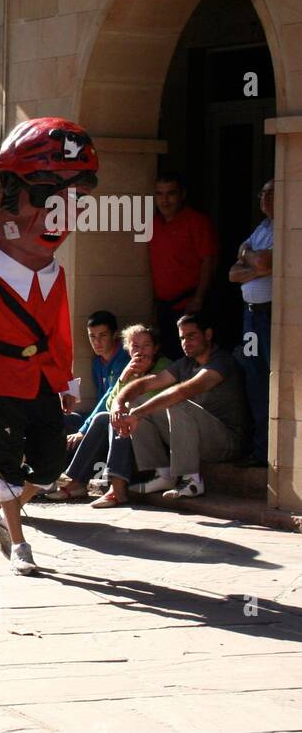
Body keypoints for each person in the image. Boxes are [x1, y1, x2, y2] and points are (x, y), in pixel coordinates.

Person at [0, 118, 97, 575]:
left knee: (51, 466)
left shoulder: (55, 274)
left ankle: (1, 513)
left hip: (39, 381)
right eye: (47, 193)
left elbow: (60, 333)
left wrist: (66, 380)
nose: (59, 215)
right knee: (7, 465)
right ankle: (18, 542)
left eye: (74, 199)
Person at [112, 313, 246, 499]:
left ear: (208, 335)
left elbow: (183, 392)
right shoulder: (184, 364)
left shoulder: (222, 362)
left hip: (225, 443)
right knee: (135, 401)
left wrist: (137, 414)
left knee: (176, 403)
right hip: (193, 438)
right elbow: (145, 384)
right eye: (182, 338)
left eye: (191, 336)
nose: (185, 342)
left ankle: (192, 481)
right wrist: (119, 404)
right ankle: (164, 475)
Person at [45, 324, 170, 507]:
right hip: (130, 428)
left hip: (154, 433)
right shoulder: (127, 369)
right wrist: (125, 377)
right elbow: (112, 403)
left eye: (146, 346)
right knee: (102, 417)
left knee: (117, 418)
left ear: (155, 348)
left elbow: (147, 402)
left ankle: (117, 490)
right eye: (135, 346)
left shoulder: (164, 366)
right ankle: (77, 482)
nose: (140, 351)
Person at [148, 172, 217, 361]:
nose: (165, 200)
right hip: (164, 308)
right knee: (169, 359)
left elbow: (209, 260)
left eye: (171, 193)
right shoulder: (152, 224)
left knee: (194, 358)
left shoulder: (196, 221)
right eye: (160, 194)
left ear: (182, 195)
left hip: (190, 305)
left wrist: (198, 299)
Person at [229, 179, 273, 467]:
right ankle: (259, 449)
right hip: (251, 315)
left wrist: (249, 258)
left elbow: (263, 264)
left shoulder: (285, 226)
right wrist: (252, 263)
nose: (265, 199)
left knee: (273, 376)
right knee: (254, 376)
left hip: (272, 316)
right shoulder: (261, 229)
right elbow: (233, 273)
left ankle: (272, 450)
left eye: (271, 193)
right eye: (263, 193)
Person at [64, 310, 129, 436]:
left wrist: (83, 430)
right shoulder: (97, 363)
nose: (97, 342)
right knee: (66, 420)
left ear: (114, 335)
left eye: (103, 335)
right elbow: (100, 396)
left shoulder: (124, 360)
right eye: (92, 336)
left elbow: (110, 396)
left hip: (116, 419)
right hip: (98, 417)